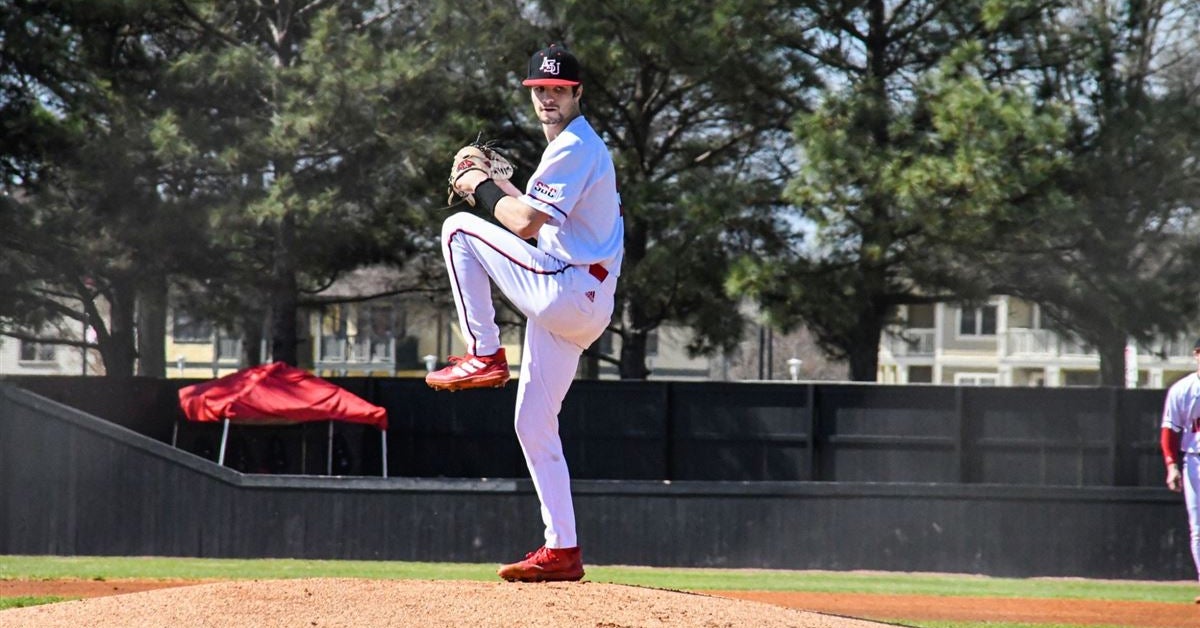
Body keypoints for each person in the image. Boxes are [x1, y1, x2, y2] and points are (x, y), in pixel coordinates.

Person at [425, 43, 623, 583]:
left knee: (457, 229)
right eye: (540, 89)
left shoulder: (575, 146)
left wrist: (476, 185)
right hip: (582, 300)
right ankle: (564, 551)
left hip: (568, 289)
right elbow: (536, 220)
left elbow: (523, 225)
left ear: (578, 93)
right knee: (533, 422)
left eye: (559, 89)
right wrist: (500, 185)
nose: (548, 98)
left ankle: (484, 353)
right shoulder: (573, 151)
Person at [1160, 337, 1200, 602]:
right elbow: (1170, 431)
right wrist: (1171, 465)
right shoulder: (1183, 389)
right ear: (1197, 354)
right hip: (1196, 461)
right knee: (1198, 528)